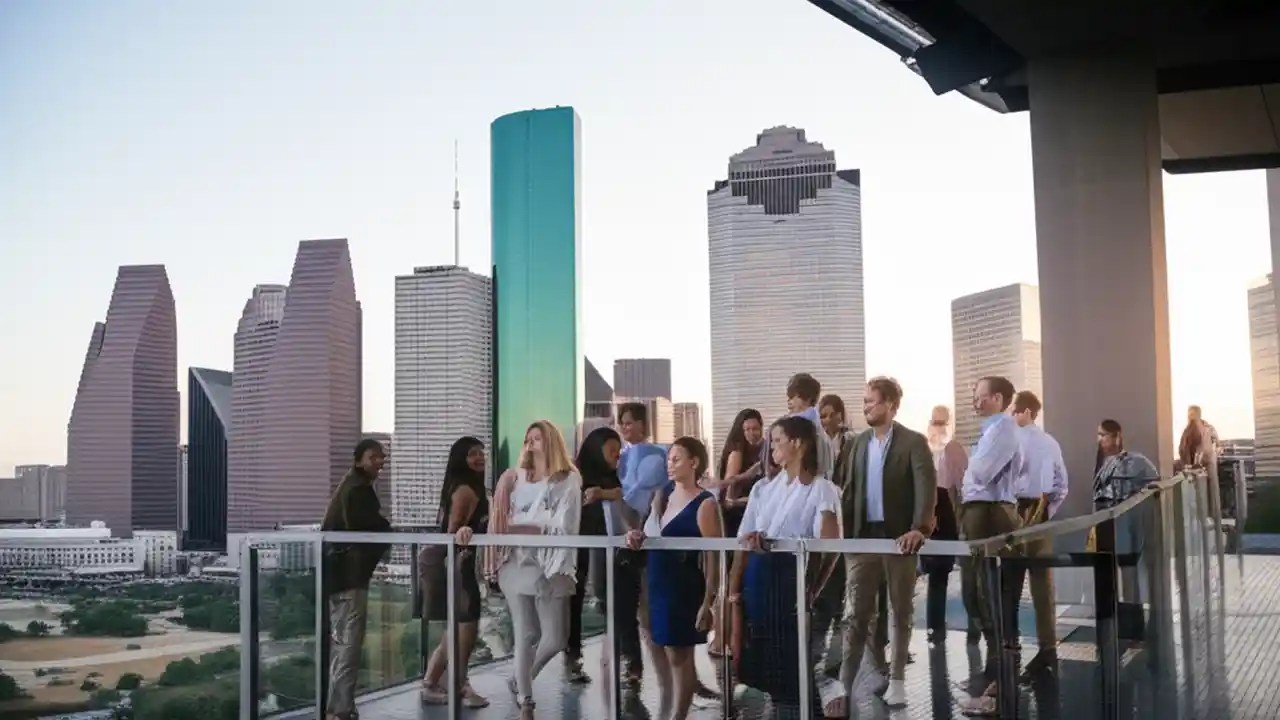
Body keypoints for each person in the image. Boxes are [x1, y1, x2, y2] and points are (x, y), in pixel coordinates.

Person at [732, 415, 844, 719]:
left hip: (790, 583)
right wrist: (732, 593)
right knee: (762, 665)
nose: (771, 448)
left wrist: (813, 590)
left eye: (777, 440)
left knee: (793, 669)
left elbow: (830, 548)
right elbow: (743, 539)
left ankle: (813, 707)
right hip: (758, 580)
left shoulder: (822, 489)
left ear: (798, 444)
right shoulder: (763, 489)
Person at [837, 377, 936, 709]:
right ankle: (846, 683)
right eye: (864, 401)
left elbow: (926, 490)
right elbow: (849, 490)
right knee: (856, 613)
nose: (865, 406)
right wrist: (844, 537)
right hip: (863, 539)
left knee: (900, 610)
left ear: (892, 405)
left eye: (872, 401)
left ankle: (897, 681)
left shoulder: (914, 442)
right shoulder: (858, 443)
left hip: (900, 540)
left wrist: (919, 528)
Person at [474, 420, 581, 718]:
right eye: (528, 438)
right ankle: (526, 700)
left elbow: (565, 524)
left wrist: (529, 526)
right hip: (516, 563)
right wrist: (527, 527)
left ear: (551, 442)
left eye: (538, 438)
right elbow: (500, 524)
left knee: (557, 638)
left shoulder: (568, 479)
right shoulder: (514, 478)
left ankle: (520, 680)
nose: (531, 444)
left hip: (554, 563)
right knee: (525, 633)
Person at [627, 437, 722, 720]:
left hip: (683, 586)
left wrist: (709, 601)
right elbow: (651, 532)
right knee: (670, 653)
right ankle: (677, 710)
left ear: (694, 463)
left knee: (680, 654)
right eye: (669, 459)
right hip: (657, 581)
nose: (670, 464)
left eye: (676, 459)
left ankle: (678, 715)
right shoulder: (663, 496)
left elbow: (714, 556)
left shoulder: (704, 504)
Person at [957, 377, 1023, 718]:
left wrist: (969, 470)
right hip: (982, 513)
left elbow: (980, 474)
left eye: (980, 396)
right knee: (978, 593)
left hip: (989, 514)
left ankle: (997, 686)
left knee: (987, 593)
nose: (976, 401)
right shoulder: (994, 431)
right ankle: (997, 680)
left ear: (998, 398)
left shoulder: (1003, 430)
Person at [320, 439, 390, 720]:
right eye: (374, 457)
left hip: (336, 577)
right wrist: (388, 529)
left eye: (382, 457)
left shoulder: (349, 486)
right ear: (358, 460)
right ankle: (340, 710)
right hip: (348, 578)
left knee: (341, 643)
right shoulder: (359, 490)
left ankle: (337, 707)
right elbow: (369, 528)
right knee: (348, 644)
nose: (380, 462)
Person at [419, 437, 491, 708]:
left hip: (459, 564)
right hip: (458, 565)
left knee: (456, 630)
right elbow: (453, 532)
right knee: (466, 629)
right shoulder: (465, 490)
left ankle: (432, 683)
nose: (480, 458)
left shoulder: (466, 487)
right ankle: (460, 685)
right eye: (472, 454)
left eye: (481, 453)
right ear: (461, 459)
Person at [1008, 391, 1068, 681]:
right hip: (1037, 509)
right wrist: (1046, 513)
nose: (1013, 416)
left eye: (1017, 411)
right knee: (1041, 586)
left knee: (1010, 583)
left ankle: (1011, 649)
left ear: (1029, 412)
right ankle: (1047, 649)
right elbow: (1062, 485)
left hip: (1014, 511)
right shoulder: (1050, 443)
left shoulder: (1015, 440)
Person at [612, 401, 671, 685]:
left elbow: (653, 496)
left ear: (644, 425)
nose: (625, 427)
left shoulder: (658, 455)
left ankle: (664, 670)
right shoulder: (618, 457)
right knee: (622, 606)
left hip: (648, 537)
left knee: (647, 608)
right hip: (621, 539)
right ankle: (633, 663)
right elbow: (619, 499)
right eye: (622, 422)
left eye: (630, 422)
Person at [568, 425, 623, 684]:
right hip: (579, 546)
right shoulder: (575, 477)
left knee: (612, 600)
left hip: (610, 546)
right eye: (611, 451)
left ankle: (617, 656)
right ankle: (573, 658)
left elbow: (632, 495)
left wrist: (607, 493)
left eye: (618, 451)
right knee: (574, 600)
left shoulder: (618, 478)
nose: (616, 456)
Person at [710, 408, 764, 657]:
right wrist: (754, 495)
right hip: (734, 521)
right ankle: (722, 640)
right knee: (731, 581)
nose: (752, 433)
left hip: (748, 521)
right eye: (747, 429)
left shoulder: (761, 451)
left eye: (756, 428)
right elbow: (729, 496)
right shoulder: (738, 453)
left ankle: (734, 639)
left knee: (738, 583)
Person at [925, 404, 967, 646]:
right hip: (945, 511)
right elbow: (961, 487)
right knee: (940, 575)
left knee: (934, 576)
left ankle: (934, 628)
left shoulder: (924, 445)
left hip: (930, 511)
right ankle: (939, 629)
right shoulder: (952, 447)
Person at [786, 372, 835, 477]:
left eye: (795, 397)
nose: (790, 401)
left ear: (808, 399)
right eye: (789, 397)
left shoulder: (806, 426)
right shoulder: (814, 424)